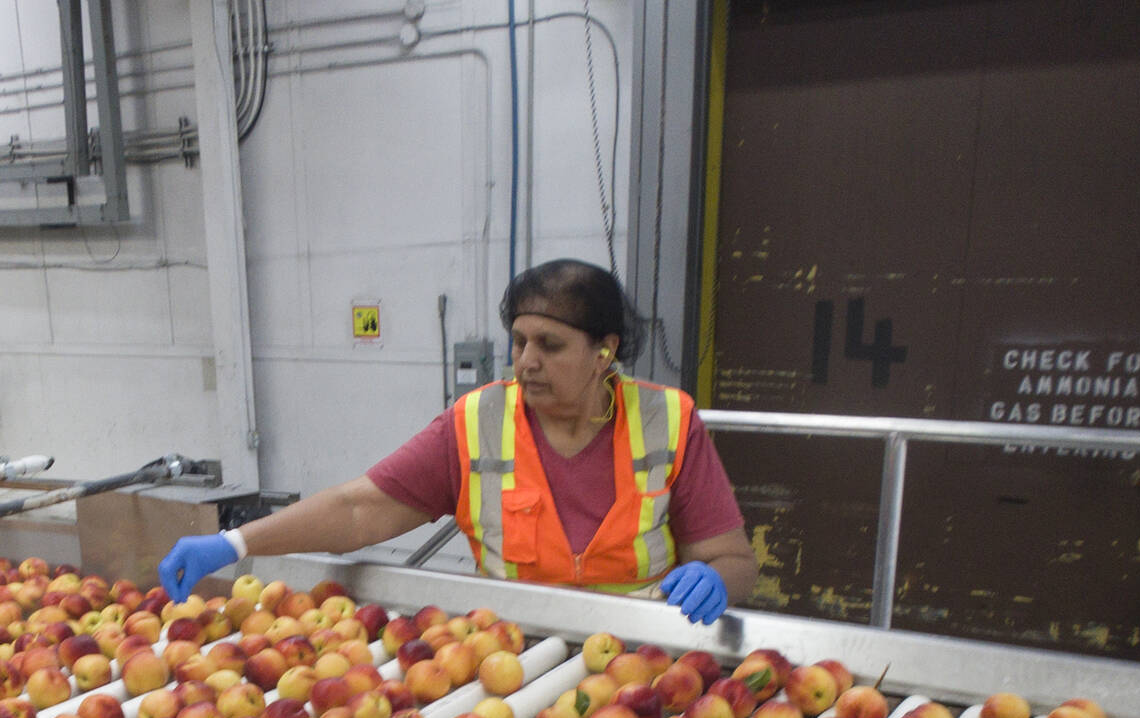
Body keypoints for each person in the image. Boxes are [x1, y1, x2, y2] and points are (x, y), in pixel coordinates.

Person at [158, 259, 757, 623]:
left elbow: (733, 561)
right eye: (519, 342)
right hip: (509, 661)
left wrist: (715, 582)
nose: (526, 362)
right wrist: (235, 543)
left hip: (642, 659)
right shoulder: (477, 421)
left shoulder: (667, 420)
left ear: (605, 351)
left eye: (550, 345)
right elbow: (358, 510)